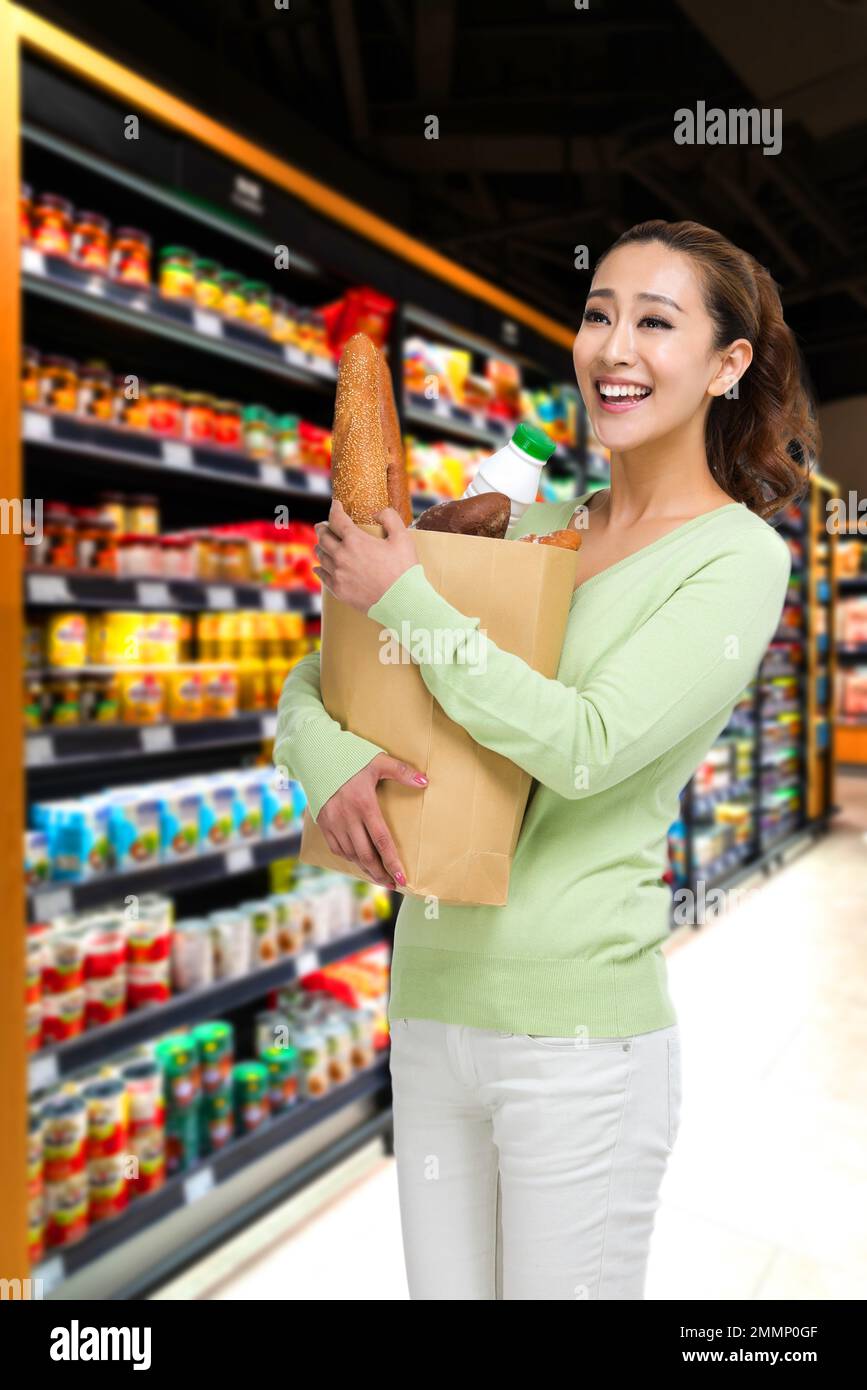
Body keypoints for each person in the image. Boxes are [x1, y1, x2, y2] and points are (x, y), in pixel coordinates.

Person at [274, 220, 817, 1300]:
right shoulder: (529, 526)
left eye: (656, 322)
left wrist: (407, 593)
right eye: (599, 314)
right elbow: (326, 677)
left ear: (727, 364)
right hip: (430, 1005)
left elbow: (586, 744)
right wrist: (326, 758)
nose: (614, 347)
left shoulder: (738, 559)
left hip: (577, 1047)